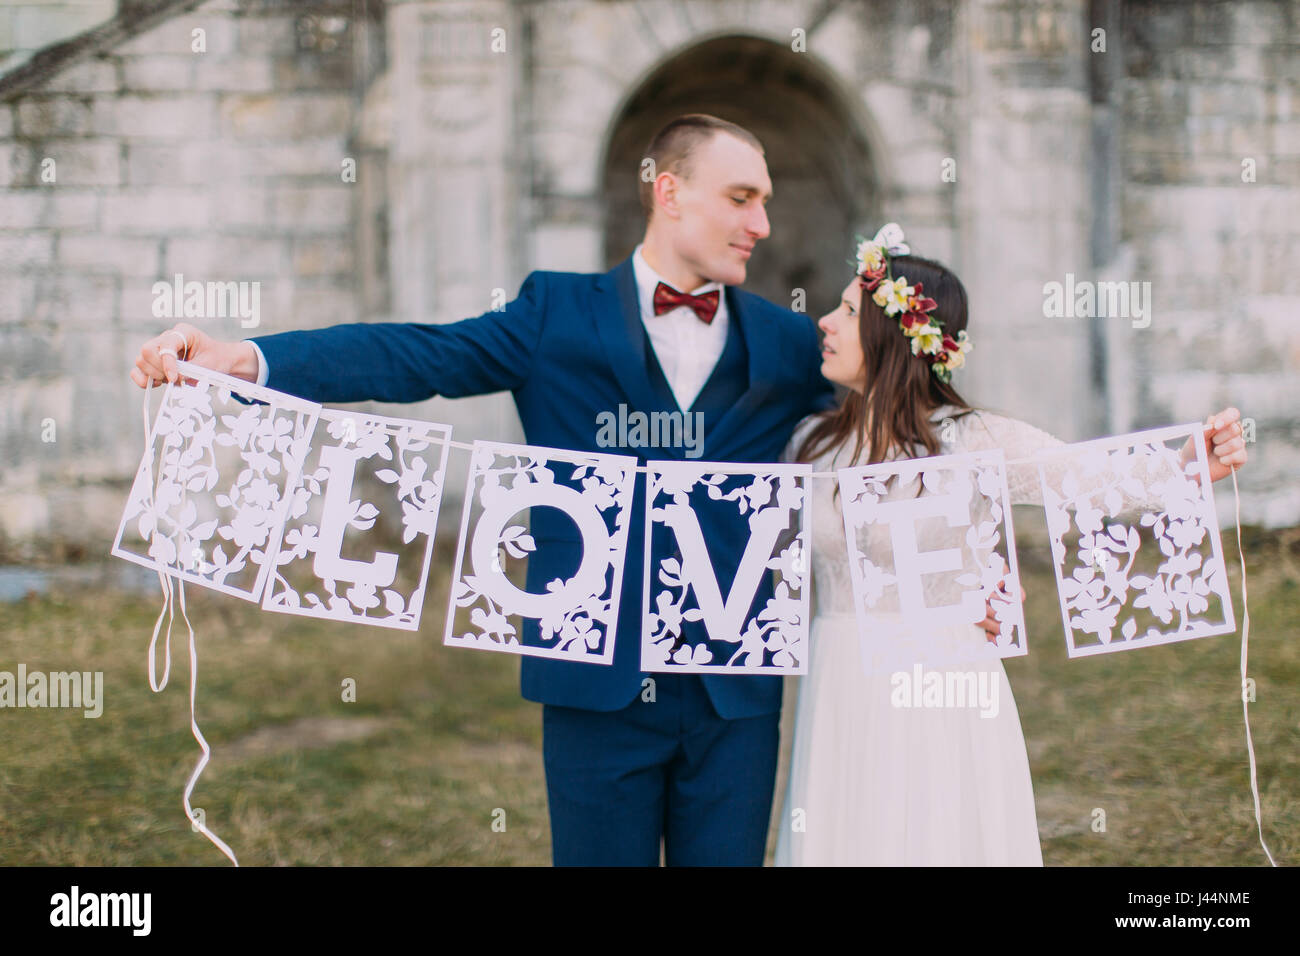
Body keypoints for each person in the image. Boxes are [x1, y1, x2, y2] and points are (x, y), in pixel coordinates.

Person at [130, 113, 871, 866]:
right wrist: (243, 360)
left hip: (735, 695)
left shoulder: (788, 342)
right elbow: (416, 355)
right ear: (670, 193)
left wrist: (965, 571)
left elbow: (907, 437)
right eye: (742, 197)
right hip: (593, 683)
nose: (763, 223)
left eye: (766, 201)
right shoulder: (555, 312)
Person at [774, 228, 1249, 865]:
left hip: (939, 678)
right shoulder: (810, 444)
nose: (826, 323)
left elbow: (1084, 477)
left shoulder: (969, 441)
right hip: (838, 674)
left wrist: (1188, 466)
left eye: (849, 311)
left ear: (895, 338)